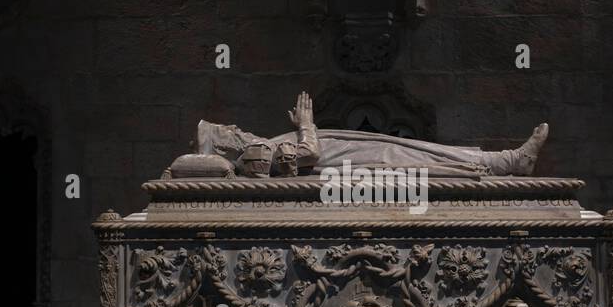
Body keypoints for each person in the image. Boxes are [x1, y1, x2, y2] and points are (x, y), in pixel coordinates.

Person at [195, 91, 549, 177]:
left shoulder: (256, 150)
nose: (237, 129)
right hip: (350, 161)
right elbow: (311, 155)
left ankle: (508, 160)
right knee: (426, 156)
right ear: (225, 147)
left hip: (350, 151)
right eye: (229, 131)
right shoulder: (251, 155)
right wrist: (305, 124)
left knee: (424, 150)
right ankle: (509, 162)